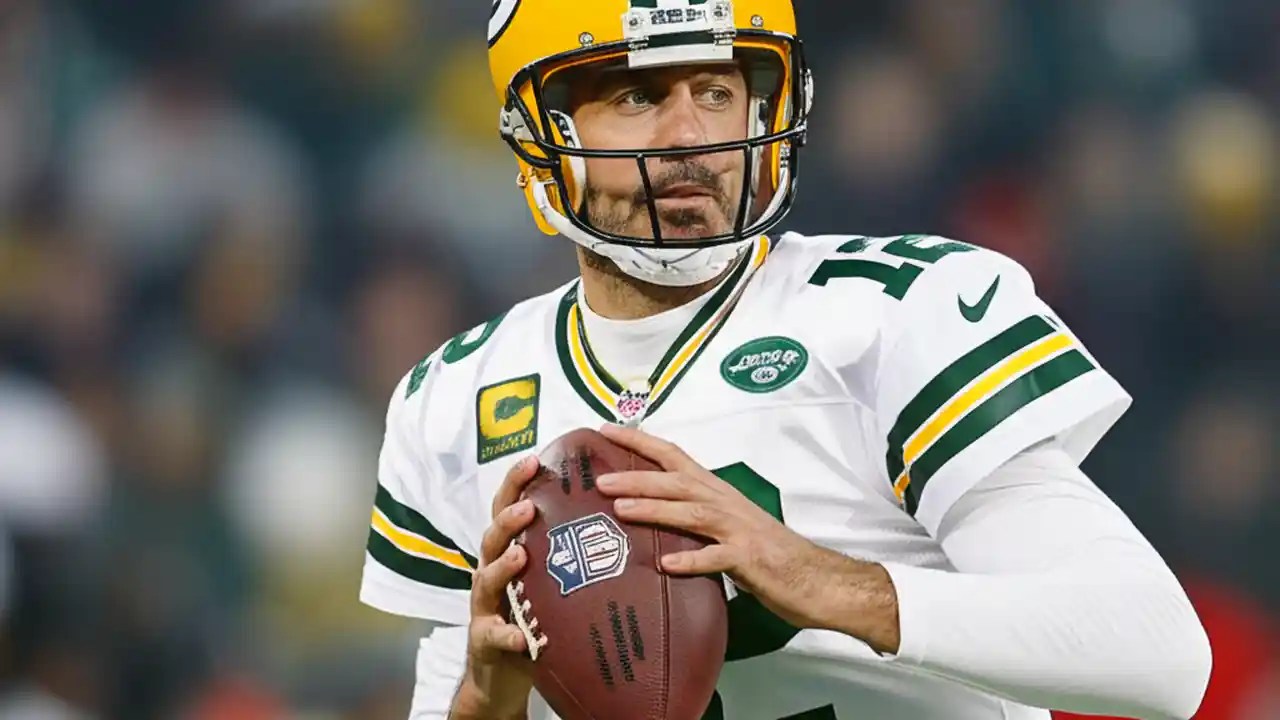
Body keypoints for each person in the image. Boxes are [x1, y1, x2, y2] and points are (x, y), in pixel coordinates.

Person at [359, 2, 1212, 718]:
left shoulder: (894, 313)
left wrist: (822, 580)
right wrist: (484, 704)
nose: (691, 135)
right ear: (542, 136)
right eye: (637, 94)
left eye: (717, 90)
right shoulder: (454, 399)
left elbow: (1159, 655)